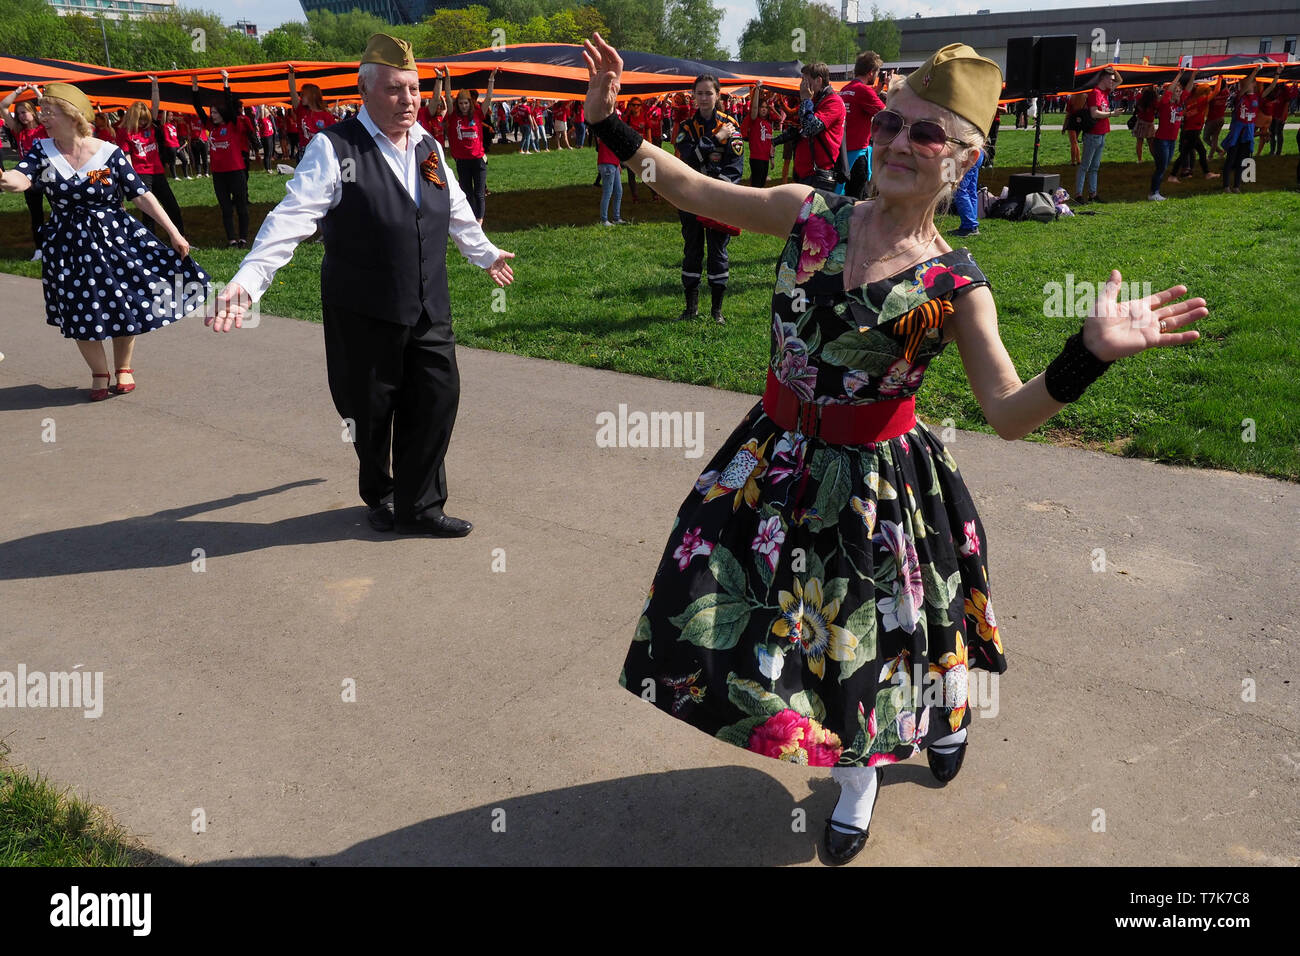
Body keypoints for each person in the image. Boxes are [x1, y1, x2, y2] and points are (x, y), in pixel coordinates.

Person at [581, 33, 1206, 865]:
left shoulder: (956, 287)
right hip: (771, 464)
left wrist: (1086, 354)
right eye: (891, 125)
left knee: (877, 634)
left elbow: (1011, 413)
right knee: (750, 616)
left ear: (965, 161)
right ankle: (877, 743)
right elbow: (695, 189)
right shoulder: (809, 213)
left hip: (877, 483)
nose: (899, 143)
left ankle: (863, 771)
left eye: (926, 134)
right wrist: (608, 124)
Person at [207, 35, 515, 538]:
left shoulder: (430, 146)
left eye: (414, 89)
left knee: (437, 396)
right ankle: (384, 493)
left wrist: (484, 254)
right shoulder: (334, 146)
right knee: (370, 410)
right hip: (363, 306)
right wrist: (248, 280)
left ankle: (420, 504)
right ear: (365, 90)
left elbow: (455, 210)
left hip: (428, 303)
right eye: (396, 89)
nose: (409, 99)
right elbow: (292, 217)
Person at [0, 83, 207, 400]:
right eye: (41, 112)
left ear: (72, 114)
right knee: (80, 309)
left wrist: (173, 232)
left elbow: (141, 194)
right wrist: (4, 178)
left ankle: (124, 366)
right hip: (67, 245)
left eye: (49, 111)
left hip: (114, 240)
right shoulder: (42, 151)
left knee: (122, 302)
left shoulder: (110, 152)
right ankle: (99, 372)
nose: (43, 117)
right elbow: (21, 179)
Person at [673, 74, 745, 325]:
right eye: (699, 93)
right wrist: (715, 139)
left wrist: (715, 192)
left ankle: (717, 311)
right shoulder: (685, 127)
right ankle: (690, 309)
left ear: (717, 95)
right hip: (691, 198)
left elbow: (735, 168)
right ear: (694, 96)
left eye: (708, 93)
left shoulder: (730, 124)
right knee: (692, 250)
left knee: (718, 252)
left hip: (718, 199)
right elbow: (688, 157)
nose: (703, 98)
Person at [116, 79, 186, 241]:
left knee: (172, 206)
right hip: (141, 175)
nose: (144, 122)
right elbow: (126, 157)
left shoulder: (150, 127)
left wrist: (155, 86)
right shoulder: (124, 132)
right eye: (140, 119)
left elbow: (155, 106)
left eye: (145, 119)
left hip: (157, 172)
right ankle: (151, 245)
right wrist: (131, 179)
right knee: (149, 212)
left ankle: (181, 237)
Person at [191, 71, 252, 247]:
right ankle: (231, 239)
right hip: (219, 174)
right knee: (226, 208)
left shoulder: (232, 124)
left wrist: (225, 82)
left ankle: (243, 238)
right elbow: (197, 107)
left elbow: (230, 105)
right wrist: (195, 85)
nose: (213, 115)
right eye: (212, 112)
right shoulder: (210, 126)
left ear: (223, 113)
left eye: (216, 112)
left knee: (241, 207)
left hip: (236, 172)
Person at [774, 61, 846, 192]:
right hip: (805, 173)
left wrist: (806, 100)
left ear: (818, 80)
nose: (802, 85)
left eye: (806, 81)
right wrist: (774, 142)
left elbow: (810, 128)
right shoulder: (814, 100)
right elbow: (798, 127)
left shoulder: (833, 101)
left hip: (818, 176)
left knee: (814, 213)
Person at [445, 67, 497, 226]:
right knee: (467, 192)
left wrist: (491, 79)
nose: (463, 106)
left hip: (478, 160)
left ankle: (479, 221)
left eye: (466, 102)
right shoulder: (454, 115)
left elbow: (489, 97)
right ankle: (471, 217)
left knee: (479, 193)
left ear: (470, 102)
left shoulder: (477, 113)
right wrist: (447, 77)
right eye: (461, 103)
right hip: (462, 160)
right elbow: (447, 96)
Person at [1, 85, 48, 260]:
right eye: (19, 113)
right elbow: (3, 107)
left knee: (60, 210)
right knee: (36, 214)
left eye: (24, 112)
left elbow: (47, 106)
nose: (21, 116)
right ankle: (39, 248)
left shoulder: (44, 127)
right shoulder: (18, 130)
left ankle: (62, 243)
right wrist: (18, 92)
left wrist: (36, 92)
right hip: (28, 176)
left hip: (49, 173)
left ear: (33, 112)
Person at [840, 51, 885, 199]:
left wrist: (875, 92)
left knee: (845, 196)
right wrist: (890, 89)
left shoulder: (845, 89)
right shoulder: (864, 91)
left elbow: (859, 105)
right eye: (877, 73)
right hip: (858, 154)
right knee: (856, 200)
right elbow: (888, 114)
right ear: (871, 73)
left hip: (843, 153)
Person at [1075, 65, 1121, 205]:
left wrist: (1113, 69)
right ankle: (1078, 195)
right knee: (1085, 166)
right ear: (1103, 78)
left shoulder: (1105, 92)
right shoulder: (1095, 93)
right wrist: (1112, 114)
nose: (1113, 82)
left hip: (1101, 134)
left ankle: (1092, 194)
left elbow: (1120, 80)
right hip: (1093, 134)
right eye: (1110, 79)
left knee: (1095, 167)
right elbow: (1094, 113)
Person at [1221, 69, 1261, 194]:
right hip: (1237, 133)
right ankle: (1226, 185)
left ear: (1254, 84)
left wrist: (1277, 74)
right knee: (1231, 159)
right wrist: (1256, 71)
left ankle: (1237, 186)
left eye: (1249, 82)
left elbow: (1269, 89)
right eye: (1245, 83)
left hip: (1247, 133)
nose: (1246, 84)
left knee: (1242, 160)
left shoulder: (1257, 96)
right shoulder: (1240, 96)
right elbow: (1246, 85)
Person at [1174, 76, 1221, 181]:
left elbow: (1183, 112)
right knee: (1186, 153)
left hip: (1189, 129)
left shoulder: (1186, 98)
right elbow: (1216, 91)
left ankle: (1206, 173)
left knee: (1200, 151)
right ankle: (1173, 175)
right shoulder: (1201, 100)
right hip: (1192, 130)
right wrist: (1220, 76)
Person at [1148, 76, 1187, 201]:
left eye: (1180, 90)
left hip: (1171, 140)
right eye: (1177, 90)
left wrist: (1193, 76)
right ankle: (1153, 193)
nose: (1179, 92)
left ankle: (1155, 192)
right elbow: (1169, 90)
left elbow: (1188, 90)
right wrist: (1179, 75)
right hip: (1162, 140)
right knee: (1161, 167)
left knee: (1163, 166)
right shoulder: (1165, 104)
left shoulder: (1179, 104)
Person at [596, 106, 627, 225]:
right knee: (608, 192)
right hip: (607, 164)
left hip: (613, 163)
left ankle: (616, 217)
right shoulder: (605, 130)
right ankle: (604, 219)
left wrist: (618, 163)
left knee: (618, 191)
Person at [742, 83, 775, 188]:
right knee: (756, 185)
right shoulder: (754, 120)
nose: (764, 109)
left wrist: (772, 158)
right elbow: (754, 107)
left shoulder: (769, 125)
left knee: (761, 184)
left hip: (765, 159)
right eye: (762, 107)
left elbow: (770, 143)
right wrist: (756, 90)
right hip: (756, 158)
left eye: (766, 107)